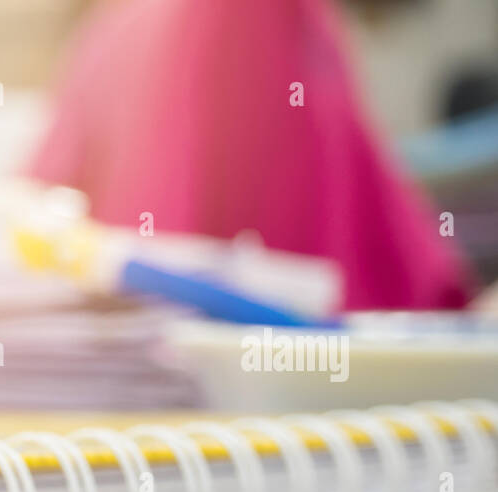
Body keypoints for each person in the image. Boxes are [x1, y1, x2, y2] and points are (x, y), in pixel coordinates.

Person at [27, 0, 475, 310]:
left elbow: (38, 201)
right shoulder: (257, 16)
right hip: (289, 364)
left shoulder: (111, 27)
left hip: (145, 359)